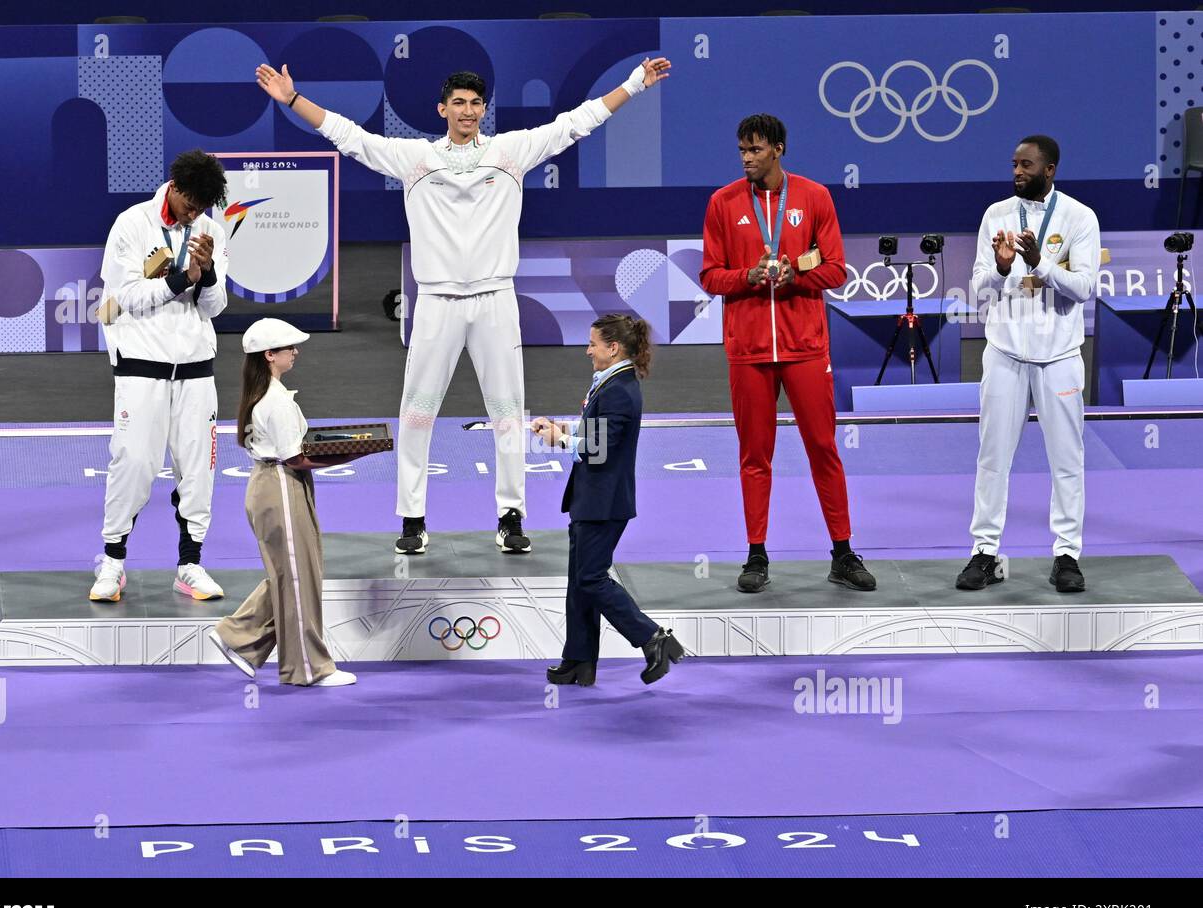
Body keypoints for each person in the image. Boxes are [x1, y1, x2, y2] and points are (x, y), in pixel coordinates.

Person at [255, 57, 671, 556]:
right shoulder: (413, 159)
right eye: (459, 103)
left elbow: (576, 122)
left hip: (495, 299)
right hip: (435, 303)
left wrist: (632, 83)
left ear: (483, 110)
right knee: (416, 413)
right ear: (442, 110)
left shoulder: (511, 151)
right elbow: (350, 137)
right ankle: (412, 518)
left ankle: (511, 515)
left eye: (475, 104)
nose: (468, 111)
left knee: (509, 414)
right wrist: (294, 100)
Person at [699, 114, 876, 595]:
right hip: (749, 350)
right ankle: (756, 554)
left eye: (755, 150)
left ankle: (842, 552)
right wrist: (748, 277)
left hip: (804, 347)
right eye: (741, 151)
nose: (747, 159)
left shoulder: (815, 197)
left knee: (823, 449)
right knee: (755, 455)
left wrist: (794, 273)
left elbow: (837, 268)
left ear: (778, 149)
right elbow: (710, 276)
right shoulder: (723, 203)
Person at [957, 135, 1100, 593]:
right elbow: (979, 287)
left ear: (1050, 170)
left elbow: (1084, 288)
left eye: (1026, 165)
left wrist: (1041, 264)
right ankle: (984, 552)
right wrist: (1002, 269)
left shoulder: (1080, 217)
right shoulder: (995, 215)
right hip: (1004, 354)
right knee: (993, 457)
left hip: (1059, 356)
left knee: (1067, 460)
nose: (1017, 171)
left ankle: (1067, 555)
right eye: (1014, 164)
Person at [90, 150, 230, 603]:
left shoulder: (211, 230)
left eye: (203, 206)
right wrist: (180, 279)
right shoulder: (131, 225)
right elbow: (125, 297)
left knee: (198, 469)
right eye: (191, 203)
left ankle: (190, 566)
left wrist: (205, 276)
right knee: (133, 462)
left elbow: (215, 307)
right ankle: (112, 564)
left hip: (196, 370)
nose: (195, 213)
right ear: (174, 183)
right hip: (140, 366)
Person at [531, 314, 683, 687]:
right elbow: (597, 431)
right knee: (578, 582)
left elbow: (600, 448)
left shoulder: (619, 389)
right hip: (591, 499)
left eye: (593, 344)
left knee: (592, 579)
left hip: (603, 503)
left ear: (612, 348)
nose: (588, 350)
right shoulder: (613, 382)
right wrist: (563, 429)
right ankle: (578, 660)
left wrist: (560, 440)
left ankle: (653, 639)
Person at [208, 318, 357, 687]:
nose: (296, 352)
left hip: (278, 485)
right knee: (296, 574)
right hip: (281, 483)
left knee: (292, 573)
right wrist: (349, 453)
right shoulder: (275, 402)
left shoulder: (267, 395)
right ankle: (308, 669)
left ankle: (238, 638)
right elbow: (296, 458)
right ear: (269, 355)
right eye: (289, 347)